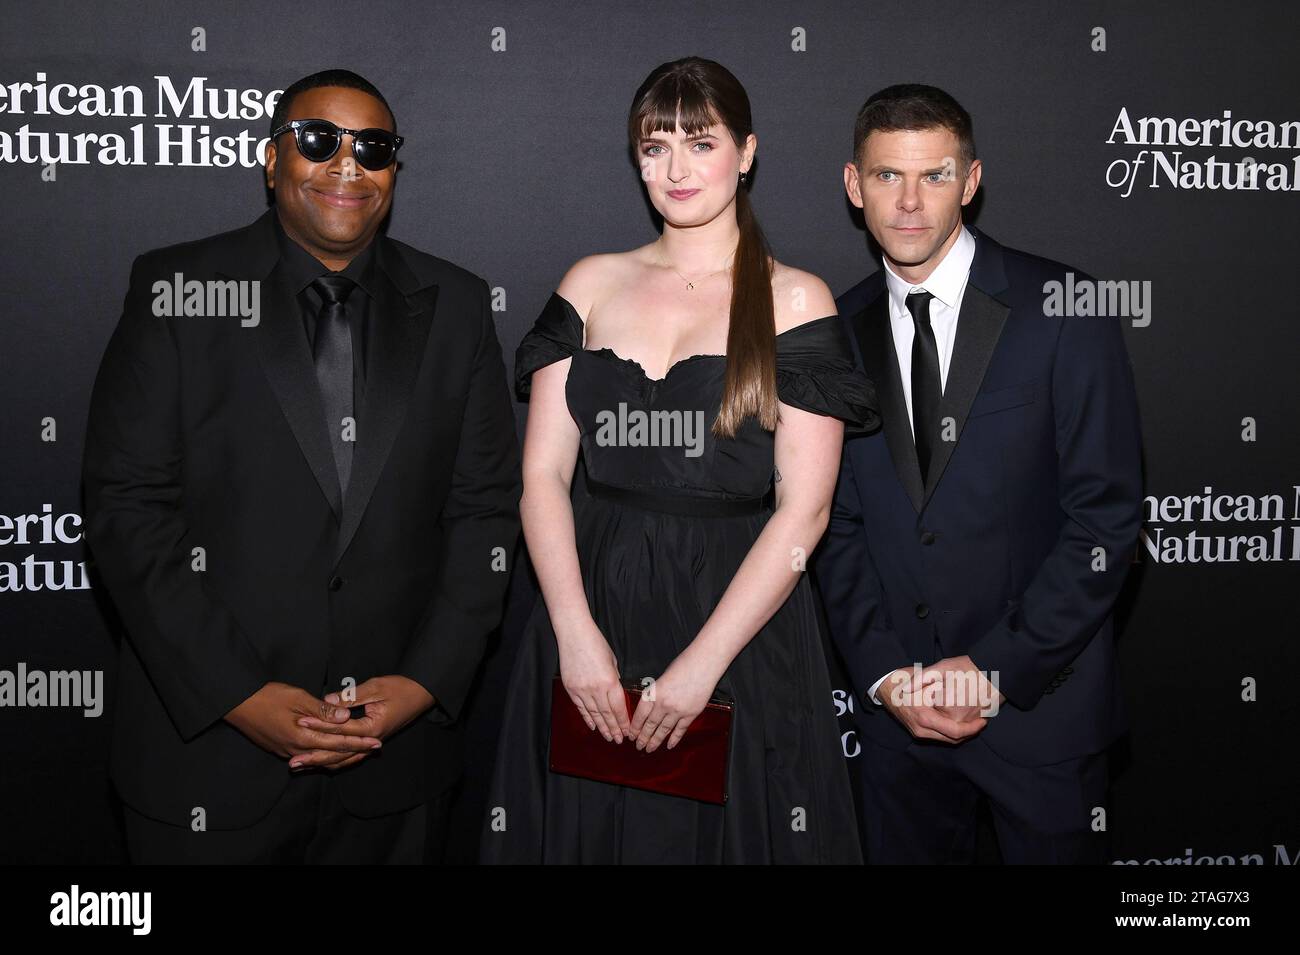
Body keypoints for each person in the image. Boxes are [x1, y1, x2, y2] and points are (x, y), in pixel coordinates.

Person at [82, 69, 521, 864]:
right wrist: (240, 696)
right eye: (319, 141)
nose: (347, 165)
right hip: (206, 764)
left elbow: (485, 512)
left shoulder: (456, 306)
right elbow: (127, 508)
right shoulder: (176, 289)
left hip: (396, 775)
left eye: (374, 148)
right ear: (270, 159)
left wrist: (422, 685)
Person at [480, 57, 876, 864]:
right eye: (655, 146)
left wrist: (701, 666)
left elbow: (805, 510)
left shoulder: (796, 299)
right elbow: (543, 476)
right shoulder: (590, 282)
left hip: (736, 622)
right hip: (589, 605)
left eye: (700, 142)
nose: (676, 167)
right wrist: (574, 636)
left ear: (748, 152)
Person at [816, 84, 1143, 863]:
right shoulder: (833, 329)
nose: (909, 203)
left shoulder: (1066, 307)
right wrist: (887, 672)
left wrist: (993, 669)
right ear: (854, 186)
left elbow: (1106, 519)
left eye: (934, 176)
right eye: (888, 176)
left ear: (971, 180)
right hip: (899, 735)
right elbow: (832, 525)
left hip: (1042, 714)